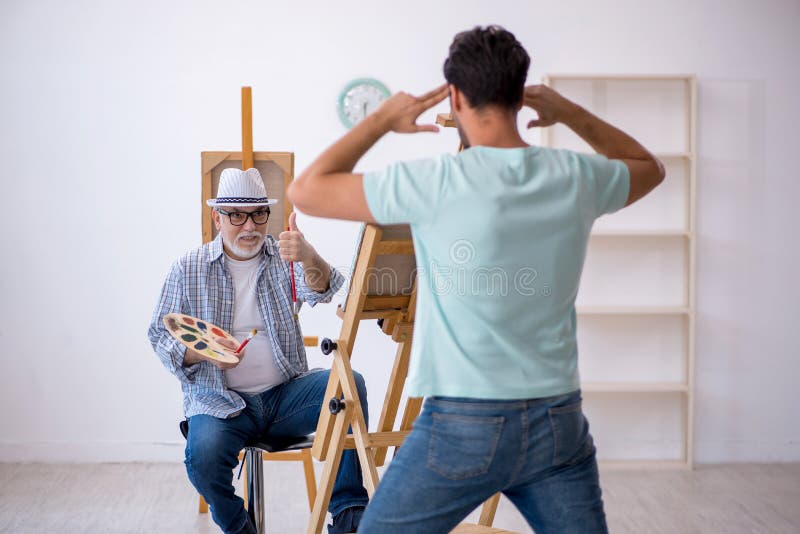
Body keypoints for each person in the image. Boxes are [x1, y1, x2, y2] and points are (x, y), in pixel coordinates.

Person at [287, 25, 664, 534]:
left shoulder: (432, 182)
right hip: (557, 424)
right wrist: (570, 112)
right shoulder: (574, 176)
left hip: (462, 424)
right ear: (521, 93)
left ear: (456, 96)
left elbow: (306, 190)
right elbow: (649, 167)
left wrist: (382, 119)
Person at [148, 167, 369, 534]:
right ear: (217, 217)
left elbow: (324, 289)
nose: (249, 226)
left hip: (286, 397)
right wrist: (205, 350)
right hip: (220, 402)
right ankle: (239, 526)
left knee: (349, 384)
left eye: (258, 214)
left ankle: (348, 516)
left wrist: (309, 254)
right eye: (236, 215)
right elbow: (160, 335)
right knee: (202, 457)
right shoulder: (188, 268)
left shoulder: (284, 256)